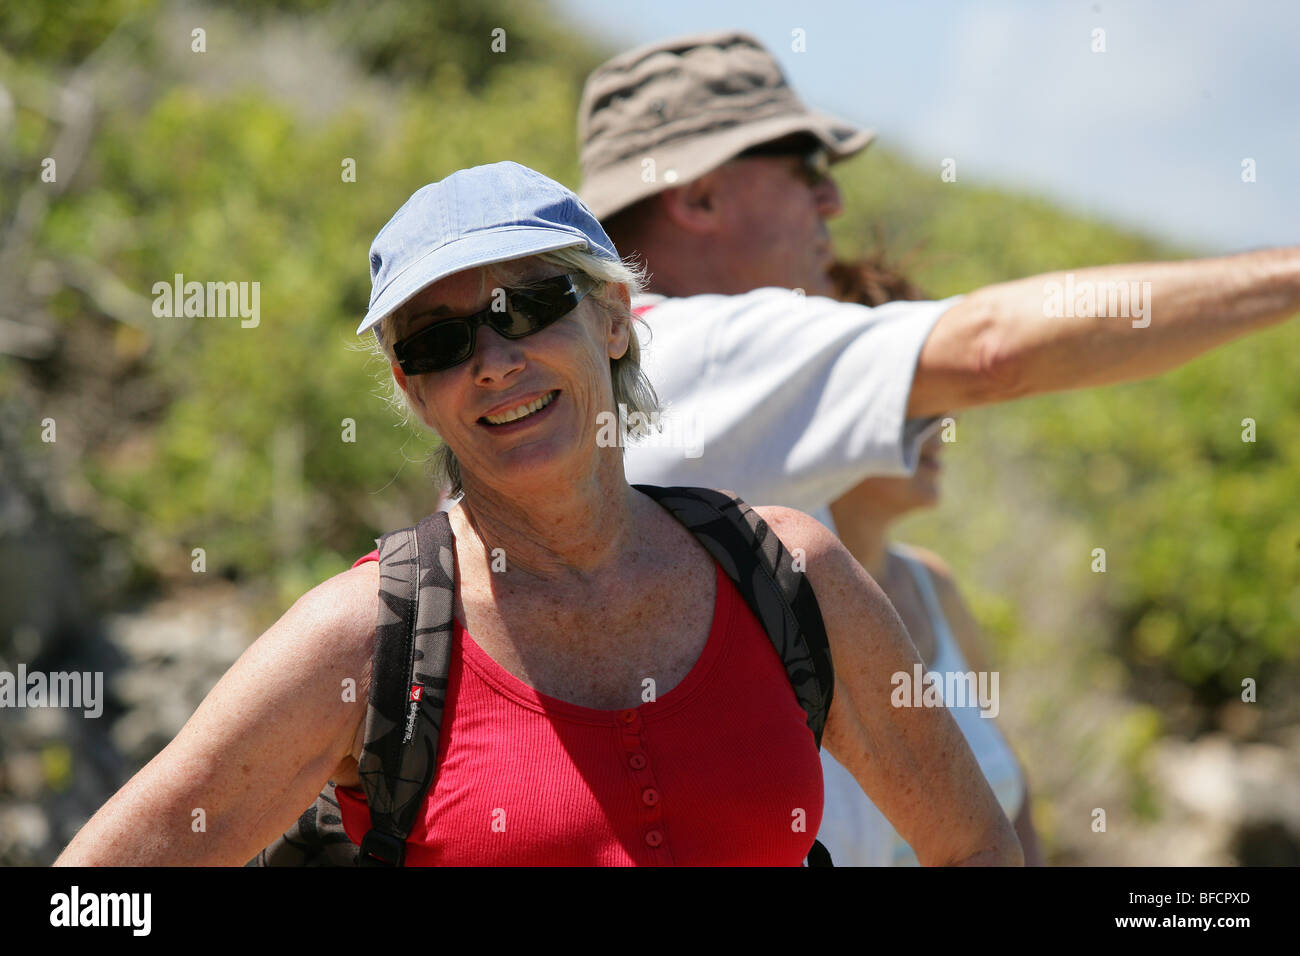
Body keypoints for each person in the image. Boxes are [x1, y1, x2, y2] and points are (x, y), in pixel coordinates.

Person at [53, 161, 1022, 867]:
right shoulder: (364, 639)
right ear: (414, 389)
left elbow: (977, 845)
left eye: (525, 305)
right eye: (439, 340)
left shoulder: (785, 576)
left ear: (612, 319)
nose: (492, 359)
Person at [576, 29, 1299, 863]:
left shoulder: (626, 368)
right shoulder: (690, 348)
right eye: (809, 171)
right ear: (698, 200)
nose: (832, 204)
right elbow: (994, 347)